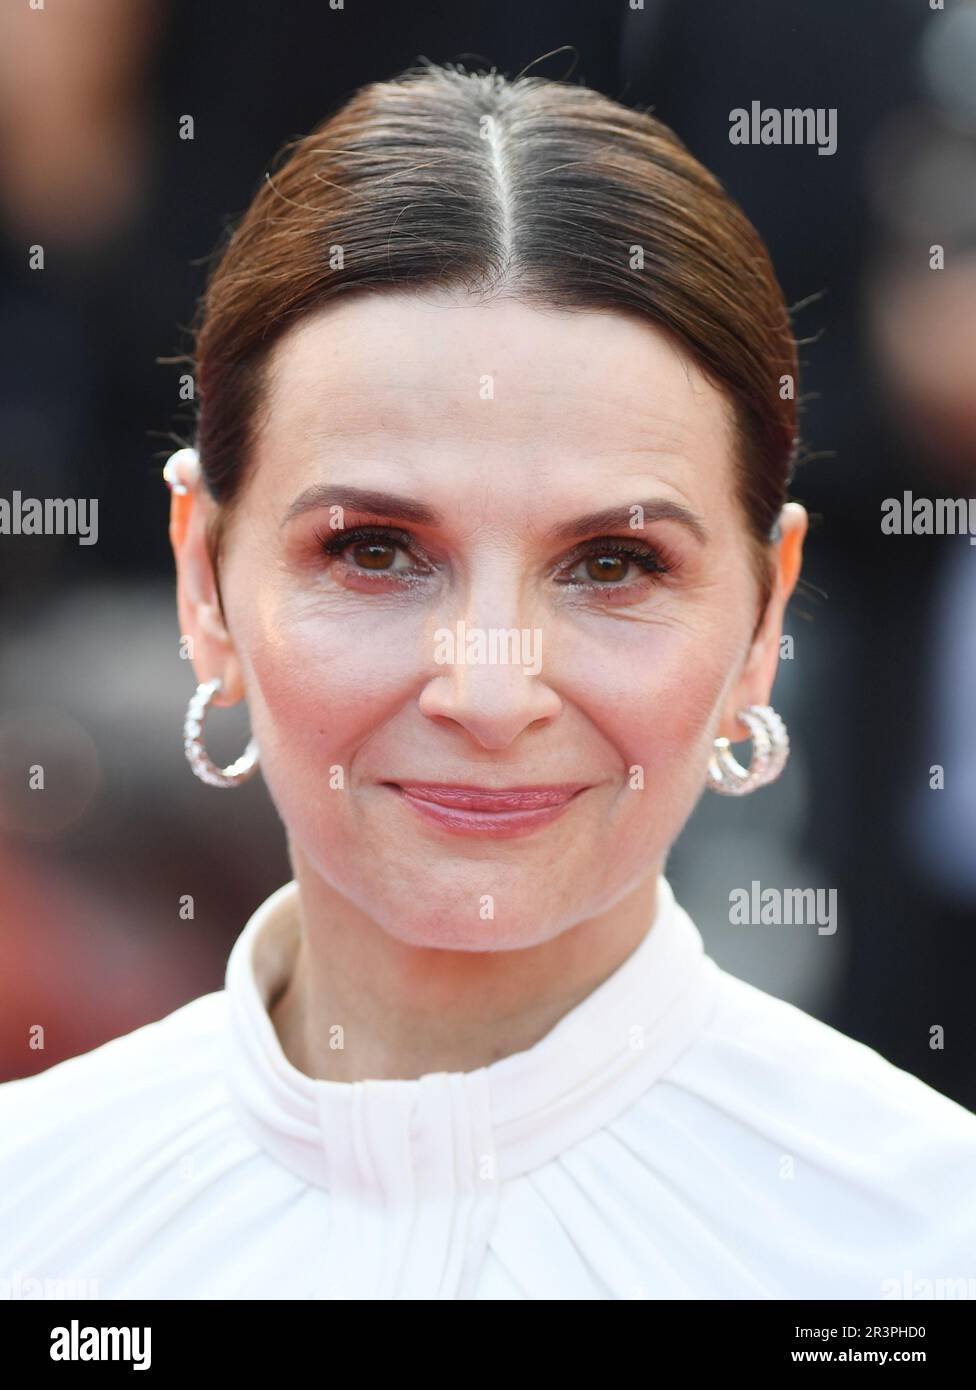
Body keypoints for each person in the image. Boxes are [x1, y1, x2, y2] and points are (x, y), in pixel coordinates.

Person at [1, 61, 974, 1302]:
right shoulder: (34, 1218)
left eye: (613, 563)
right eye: (371, 551)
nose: (490, 688)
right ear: (205, 581)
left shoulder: (925, 1243)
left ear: (762, 616)